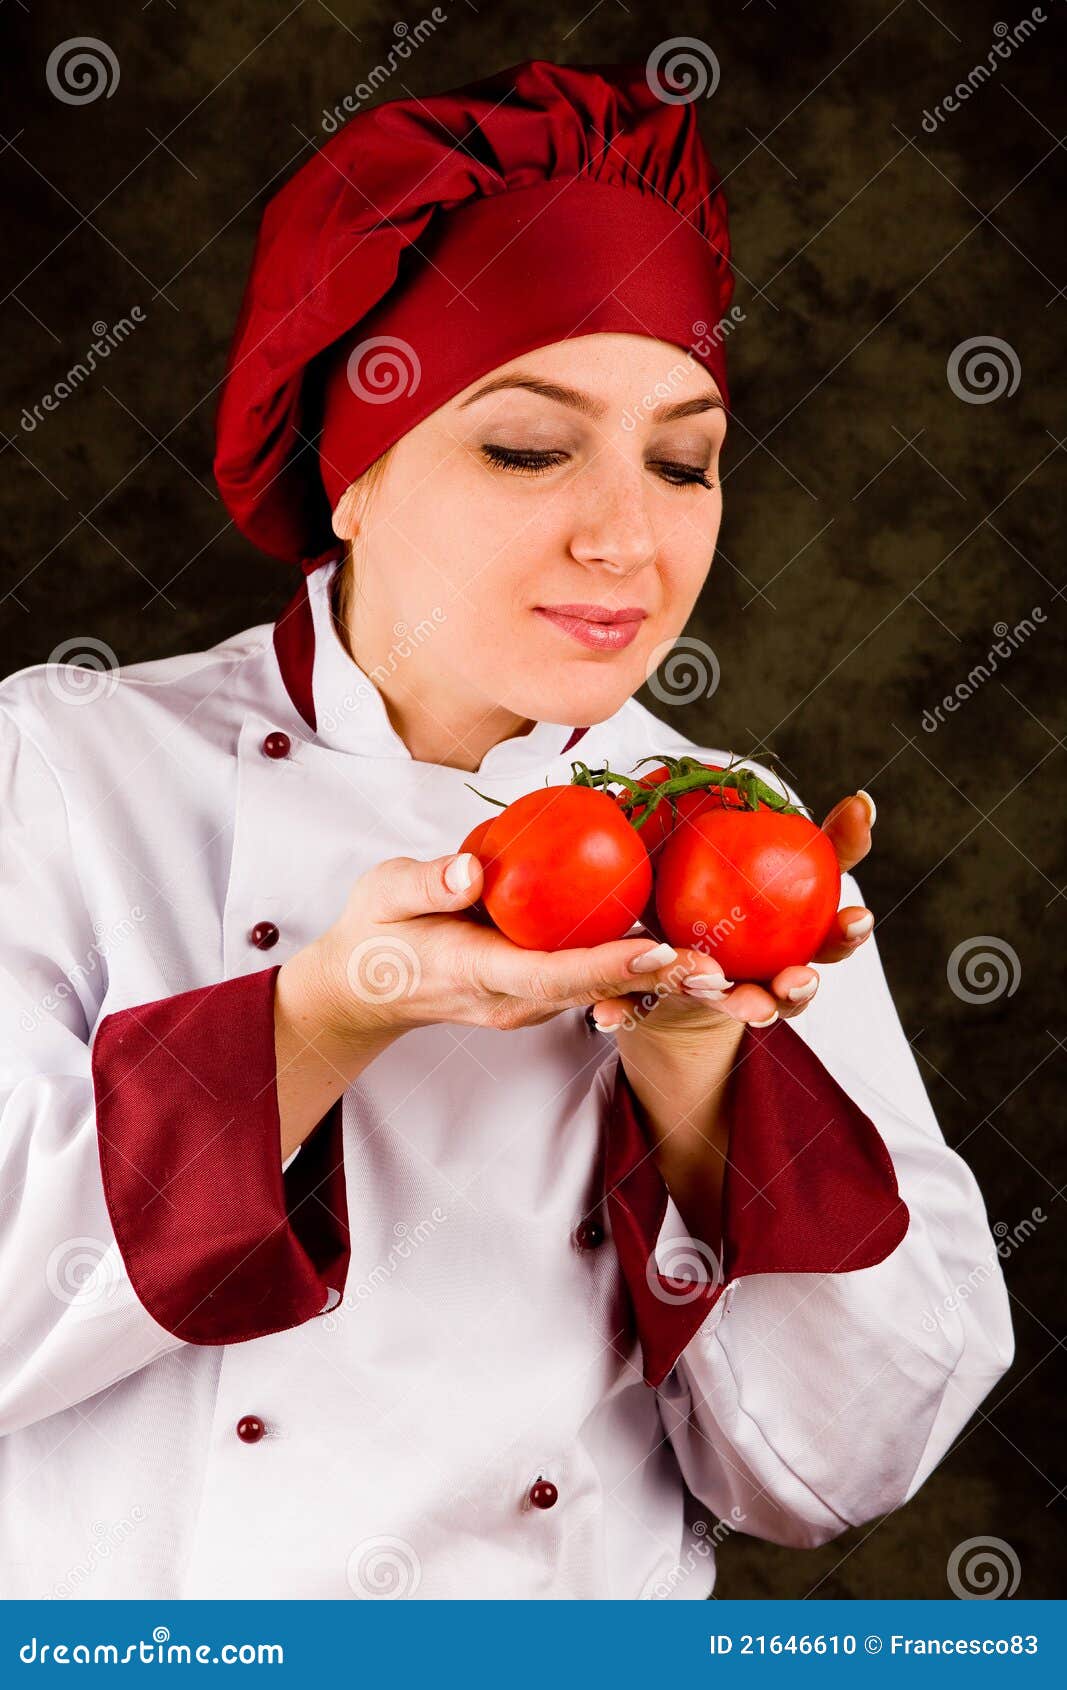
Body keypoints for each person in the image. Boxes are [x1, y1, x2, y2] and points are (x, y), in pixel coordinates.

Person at [0, 58, 1012, 1601]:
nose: (627, 535)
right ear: (353, 469)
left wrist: (703, 1085)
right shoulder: (66, 766)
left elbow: (837, 1466)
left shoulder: (745, 845)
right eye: (530, 446)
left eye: (684, 459)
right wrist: (324, 1017)